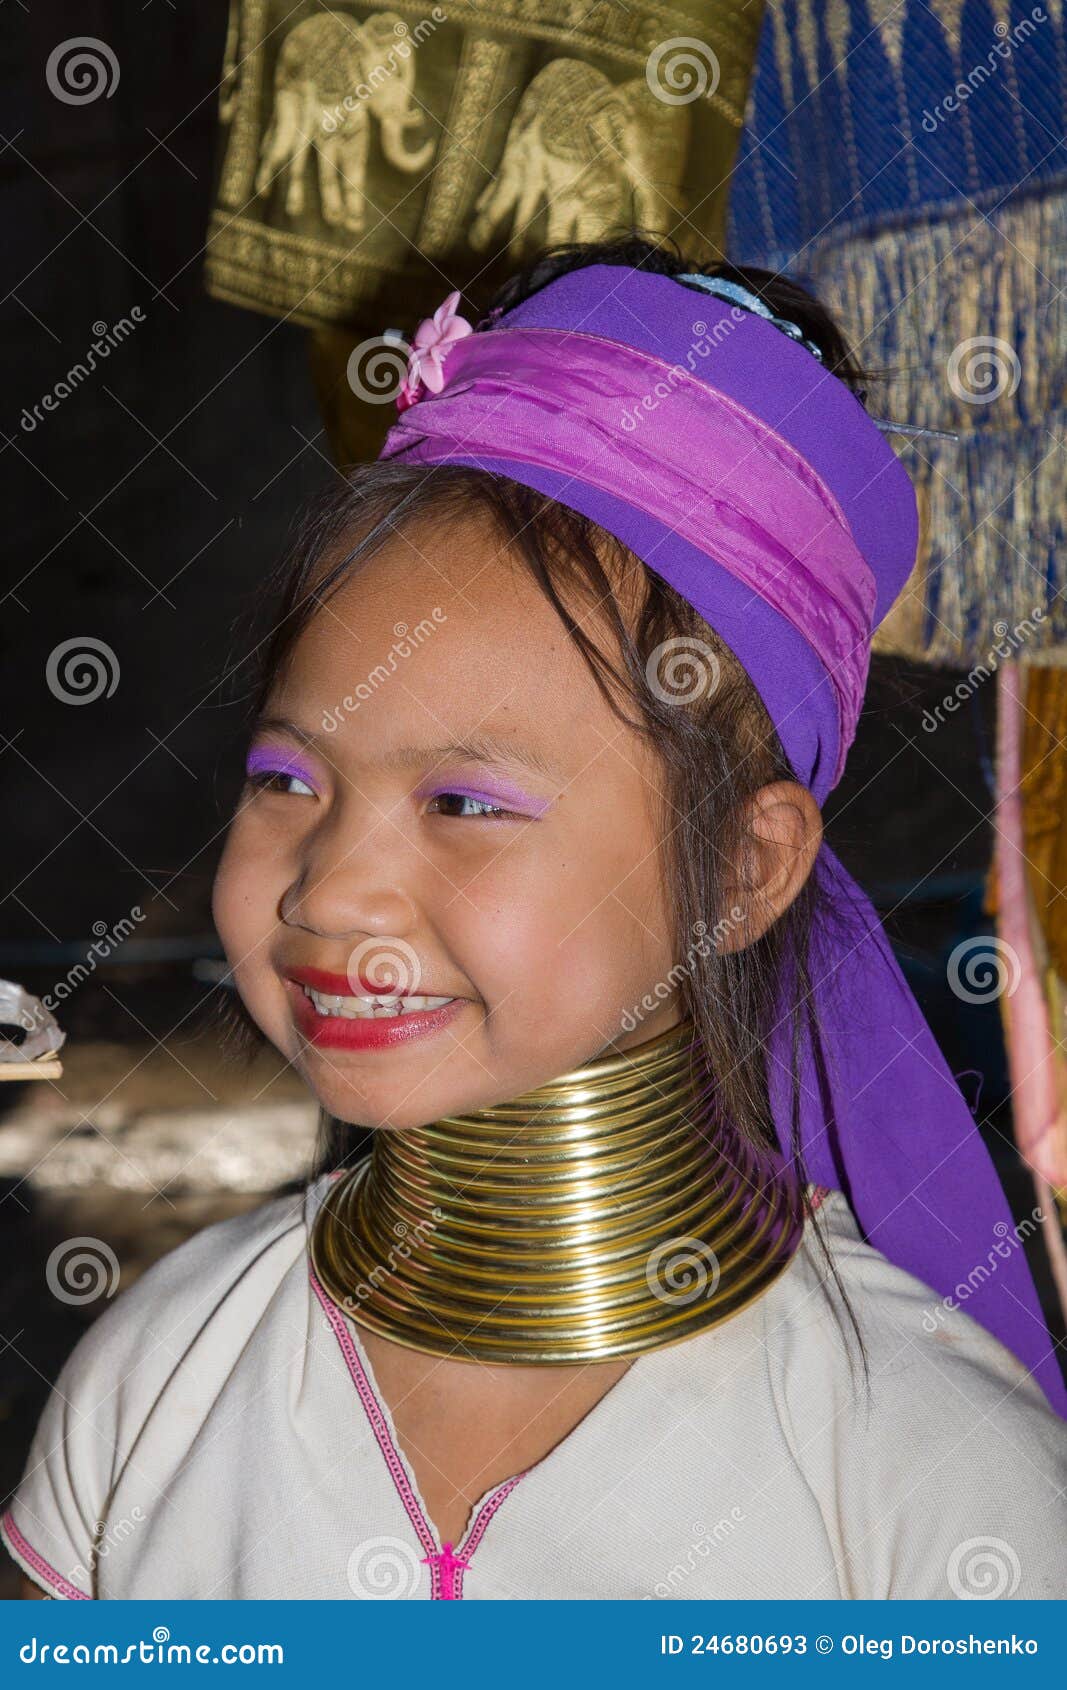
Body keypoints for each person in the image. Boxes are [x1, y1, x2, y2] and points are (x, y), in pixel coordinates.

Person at [5, 237, 1066, 1602]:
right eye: (287, 780)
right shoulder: (158, 1376)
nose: (329, 892)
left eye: (464, 801)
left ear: (742, 872)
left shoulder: (927, 1474)